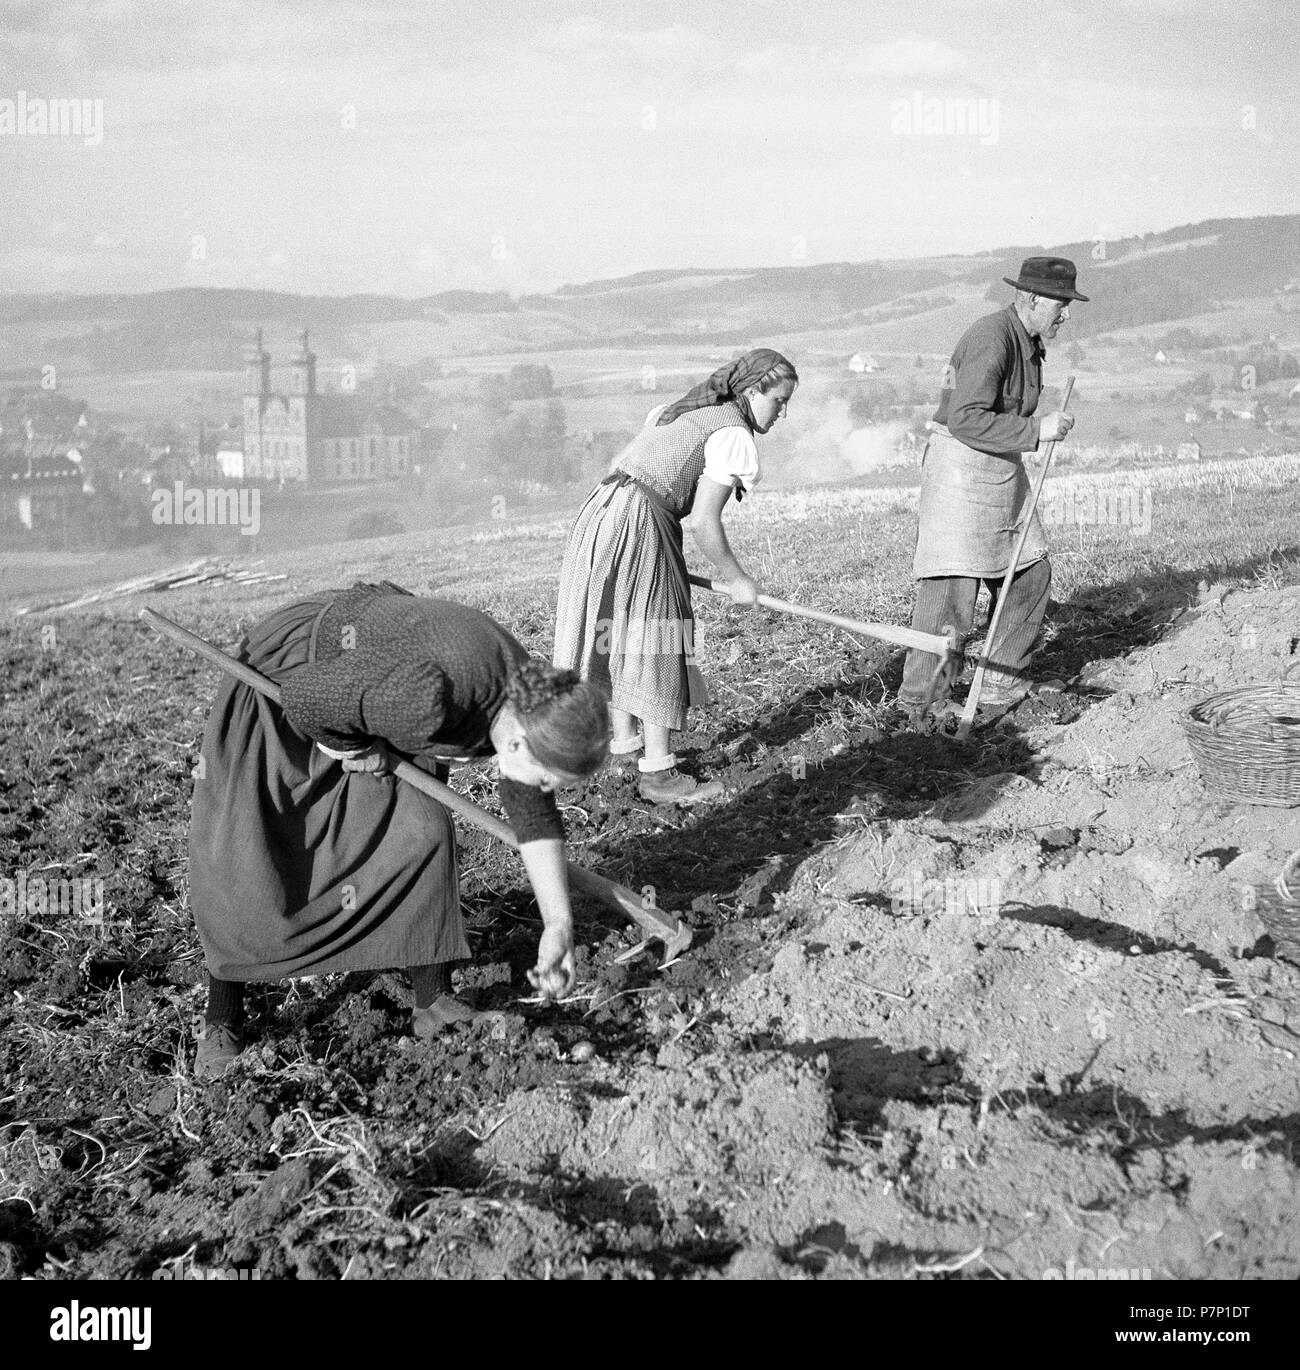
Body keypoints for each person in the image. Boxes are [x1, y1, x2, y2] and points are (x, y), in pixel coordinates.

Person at [188, 581, 610, 1079]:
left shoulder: (532, 702)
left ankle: (433, 1001)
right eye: (545, 778)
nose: (541, 790)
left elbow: (532, 815)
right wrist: (357, 748)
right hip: (298, 669)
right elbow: (307, 700)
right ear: (518, 743)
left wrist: (558, 926)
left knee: (424, 829)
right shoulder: (427, 699)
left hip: (378, 680)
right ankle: (222, 1016)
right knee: (250, 845)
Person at [554, 349, 798, 804]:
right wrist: (739, 580)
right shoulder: (732, 433)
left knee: (624, 631)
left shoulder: (678, 410)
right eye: (779, 401)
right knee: (664, 635)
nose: (782, 413)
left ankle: (625, 747)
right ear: (751, 390)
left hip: (603, 510)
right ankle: (659, 773)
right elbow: (705, 521)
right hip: (642, 516)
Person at [897, 256, 1088, 719]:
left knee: (1029, 573)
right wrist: (1037, 430)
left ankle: (1001, 680)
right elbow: (965, 418)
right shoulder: (992, 336)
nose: (1066, 314)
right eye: (1059, 304)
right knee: (951, 592)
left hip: (999, 466)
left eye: (1068, 304)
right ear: (1028, 299)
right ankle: (923, 701)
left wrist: (1032, 432)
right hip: (962, 470)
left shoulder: (1030, 342)